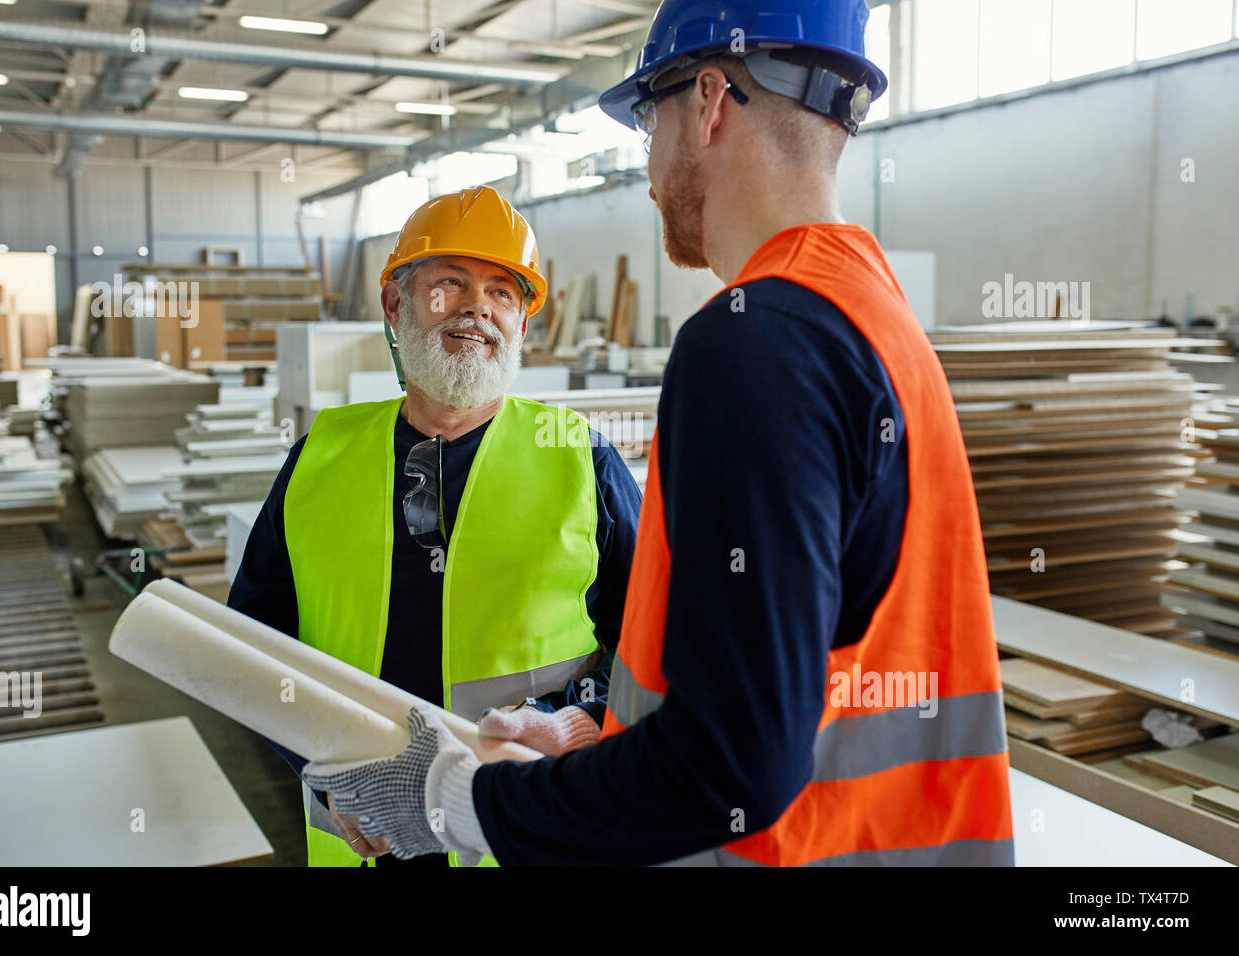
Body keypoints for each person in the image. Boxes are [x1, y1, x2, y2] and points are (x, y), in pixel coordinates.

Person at [301, 0, 1014, 866]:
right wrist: (588, 734)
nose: (646, 167)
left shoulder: (752, 340)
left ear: (709, 100)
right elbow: (788, 683)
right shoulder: (872, 317)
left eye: (648, 121)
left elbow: (726, 771)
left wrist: (456, 800)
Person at [228, 186, 641, 867]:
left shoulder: (580, 457)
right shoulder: (320, 456)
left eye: (503, 292)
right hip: (364, 836)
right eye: (450, 284)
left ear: (523, 325)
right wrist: (316, 763)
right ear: (397, 305)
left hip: (523, 825)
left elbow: (654, 634)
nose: (479, 307)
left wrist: (589, 719)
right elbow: (257, 641)